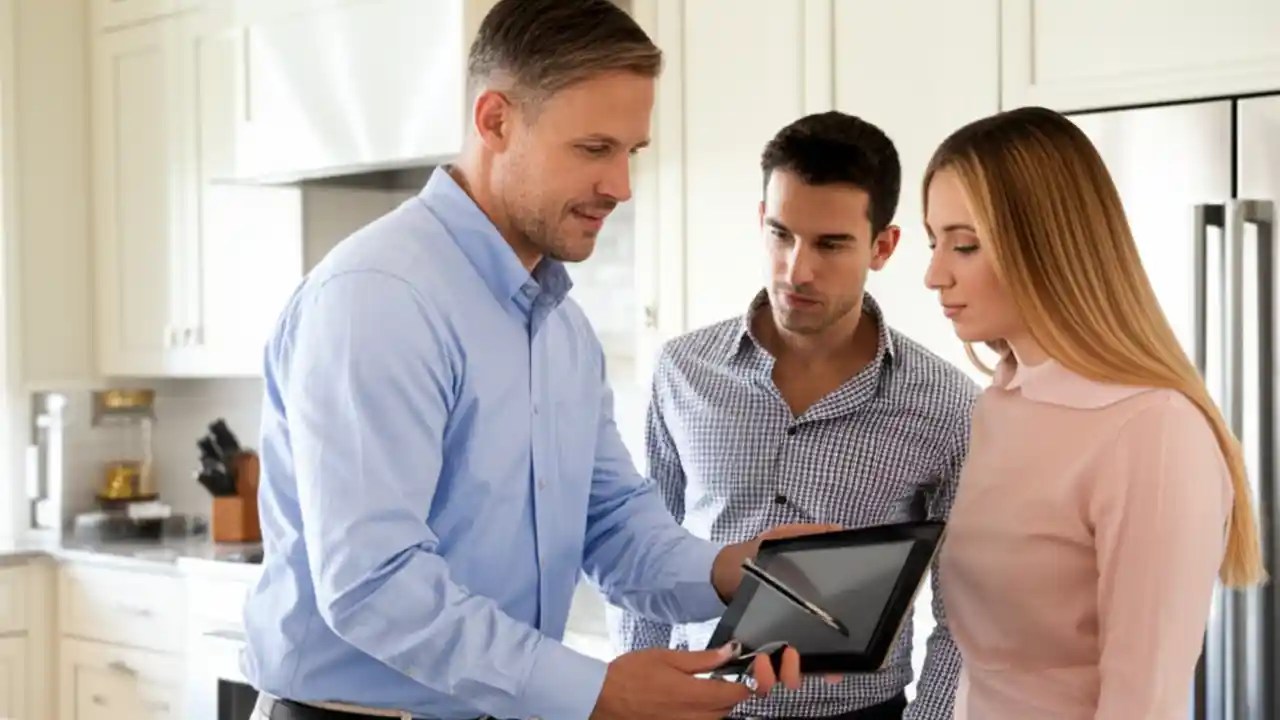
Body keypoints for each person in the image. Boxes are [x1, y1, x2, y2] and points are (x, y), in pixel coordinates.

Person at [239, 2, 835, 719]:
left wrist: (724, 570)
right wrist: (596, 691)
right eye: (593, 149)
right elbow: (374, 585)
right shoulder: (381, 299)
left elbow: (610, 520)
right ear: (495, 121)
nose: (621, 186)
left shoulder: (561, 327)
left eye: (630, 153)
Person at [613, 111, 980, 720]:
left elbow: (963, 619)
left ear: (882, 247)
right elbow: (640, 551)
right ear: (761, 221)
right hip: (692, 706)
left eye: (831, 244)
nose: (796, 270)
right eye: (781, 234)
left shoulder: (944, 404)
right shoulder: (682, 370)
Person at [922, 105, 1268, 719]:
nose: (934, 274)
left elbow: (1144, 702)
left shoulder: (1152, 430)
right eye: (934, 241)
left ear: (1046, 244)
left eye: (965, 245)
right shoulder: (1000, 405)